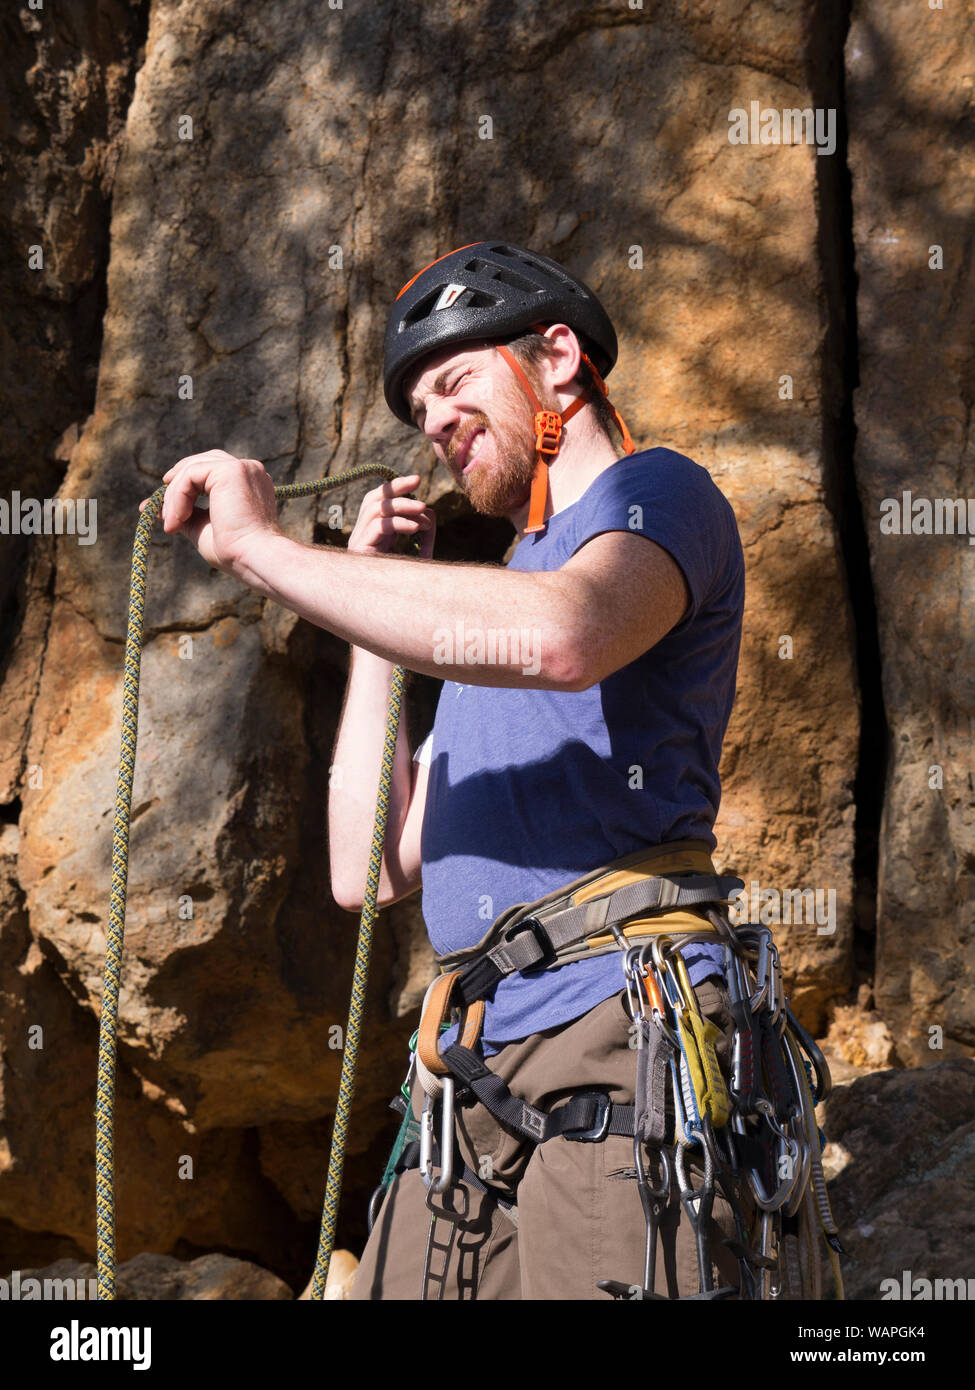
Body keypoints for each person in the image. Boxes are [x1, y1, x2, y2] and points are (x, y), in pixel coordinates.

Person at [153, 242, 747, 1301]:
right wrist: (378, 614)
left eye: (454, 379)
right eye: (417, 405)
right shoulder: (494, 605)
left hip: (610, 1025)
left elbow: (569, 635)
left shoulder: (657, 499)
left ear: (557, 358)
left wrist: (265, 554)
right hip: (470, 1073)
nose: (431, 420)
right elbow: (369, 868)